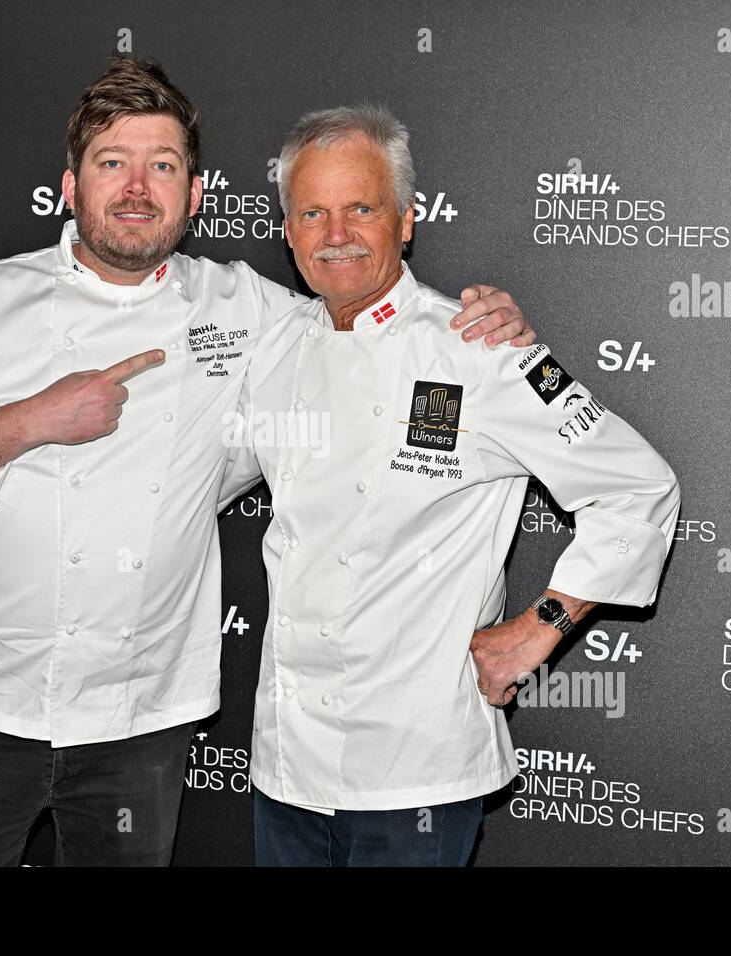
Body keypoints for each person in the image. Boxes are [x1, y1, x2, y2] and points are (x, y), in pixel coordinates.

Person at [0, 58, 535, 866]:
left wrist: (479, 325)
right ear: (70, 187)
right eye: (112, 164)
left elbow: (368, 315)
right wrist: (27, 421)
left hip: (139, 724)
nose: (137, 188)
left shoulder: (244, 306)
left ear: (195, 195)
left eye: (162, 166)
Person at [230, 104, 681, 866]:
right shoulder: (272, 352)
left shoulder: (483, 348)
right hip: (286, 767)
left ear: (406, 221)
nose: (335, 233)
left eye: (361, 208)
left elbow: (639, 487)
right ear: (288, 230)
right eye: (312, 211)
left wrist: (541, 626)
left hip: (420, 774)